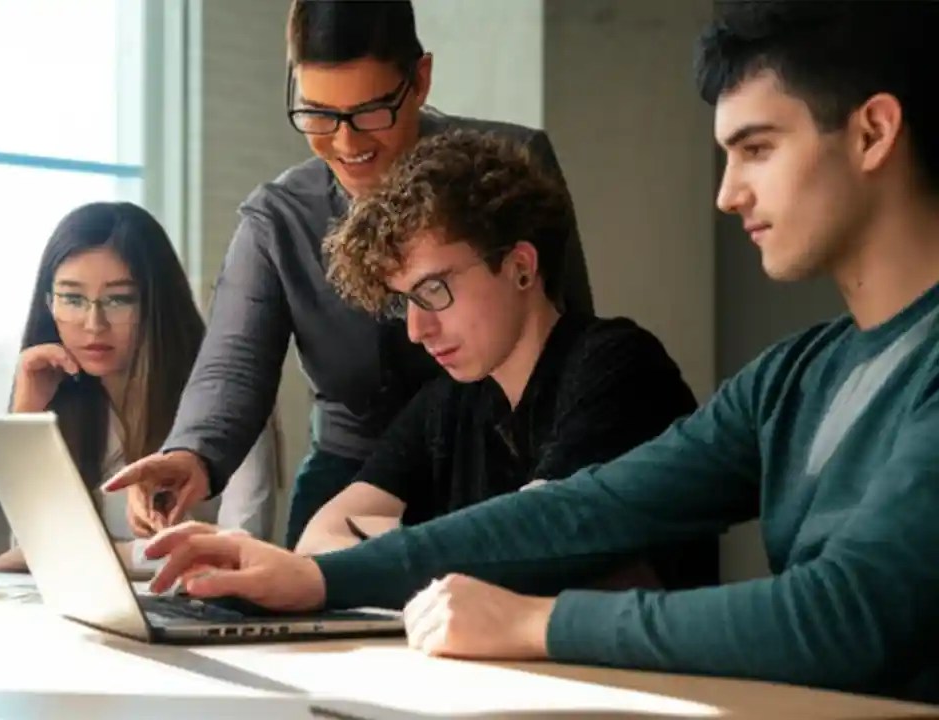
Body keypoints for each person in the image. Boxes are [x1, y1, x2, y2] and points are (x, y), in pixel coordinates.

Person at [140, 0, 939, 703]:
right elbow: (582, 507)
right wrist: (315, 577)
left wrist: (535, 621)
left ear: (872, 132)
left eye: (757, 149)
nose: (726, 193)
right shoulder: (790, 378)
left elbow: (849, 617)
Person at [103, 0, 593, 548]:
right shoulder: (279, 218)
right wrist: (189, 453)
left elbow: (567, 337)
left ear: (421, 79)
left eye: (370, 112)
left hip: (503, 466)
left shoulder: (510, 166)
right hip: (352, 480)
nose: (346, 142)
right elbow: (233, 367)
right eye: (318, 113)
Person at [290, 129, 716, 589]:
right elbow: (317, 539)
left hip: (633, 660)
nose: (416, 330)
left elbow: (534, 545)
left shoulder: (618, 367)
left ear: (521, 268)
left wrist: (393, 544)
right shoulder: (448, 402)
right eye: (403, 301)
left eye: (434, 289)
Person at [0, 202, 277, 572]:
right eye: (72, 299)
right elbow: (31, 550)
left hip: (199, 611)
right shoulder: (59, 396)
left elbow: (243, 549)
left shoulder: (225, 400)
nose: (94, 323)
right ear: (48, 303)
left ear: (156, 304)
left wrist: (99, 557)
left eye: (119, 299)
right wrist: (26, 415)